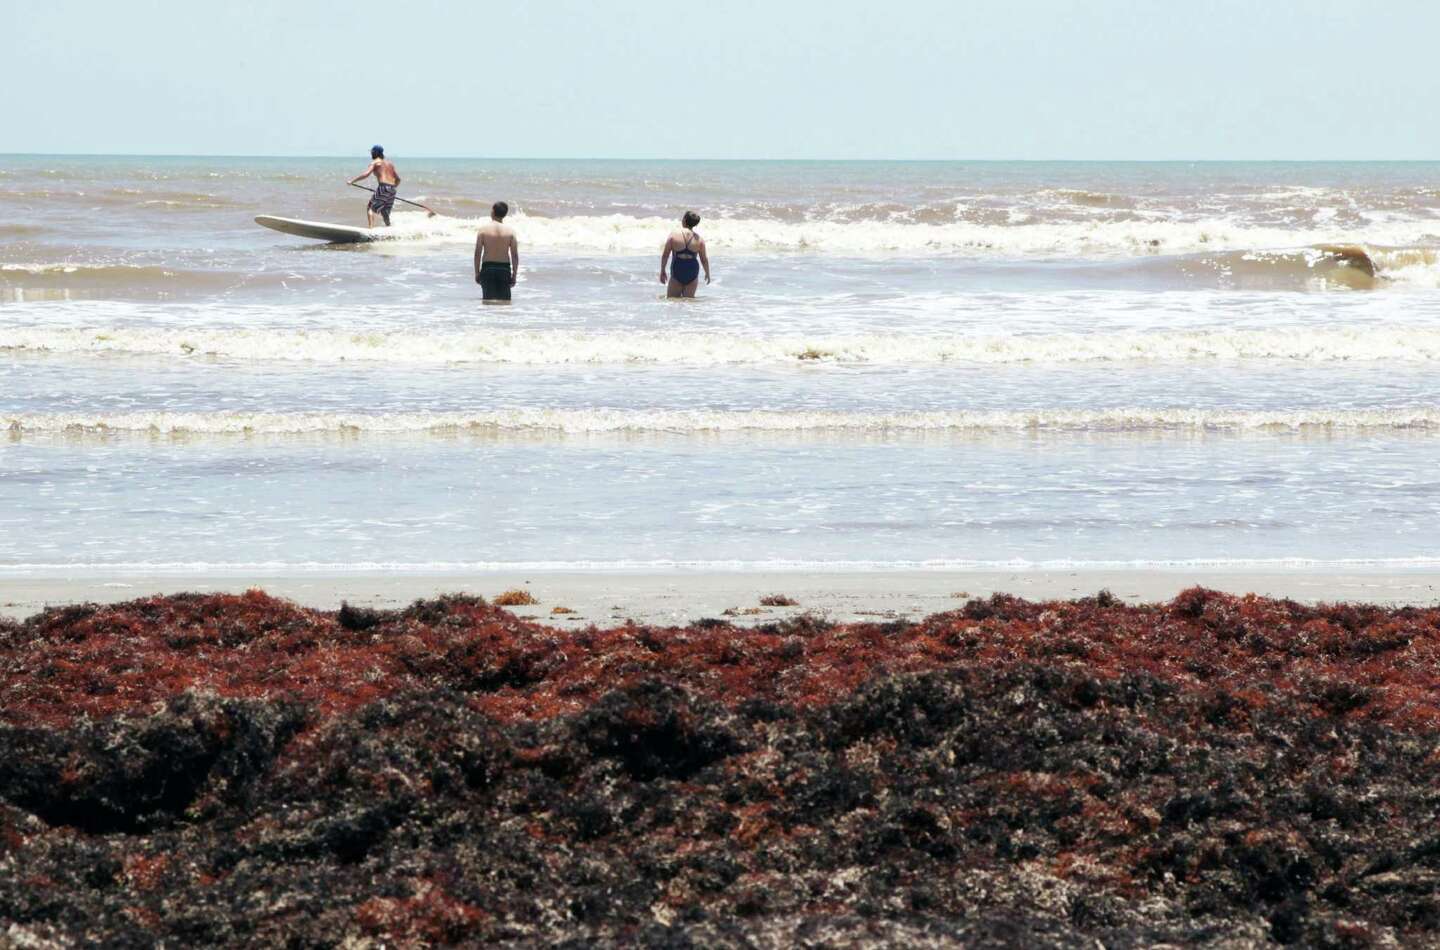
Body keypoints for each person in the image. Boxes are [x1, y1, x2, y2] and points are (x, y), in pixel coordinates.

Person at [474, 201, 519, 303]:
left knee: (488, 302)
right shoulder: (511, 232)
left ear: (493, 212)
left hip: (487, 269)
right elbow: (514, 255)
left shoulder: (483, 230)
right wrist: (514, 275)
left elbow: (477, 253)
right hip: (504, 269)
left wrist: (477, 272)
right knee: (505, 303)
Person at [347, 145, 401, 227]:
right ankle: (389, 228)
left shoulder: (375, 162)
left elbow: (366, 174)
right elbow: (398, 179)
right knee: (384, 212)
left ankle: (370, 229)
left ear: (375, 153)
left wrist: (352, 181)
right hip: (392, 189)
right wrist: (390, 190)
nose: (371, 154)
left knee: (370, 208)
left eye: (372, 152)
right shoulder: (390, 164)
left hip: (383, 187)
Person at [660, 211, 711, 298]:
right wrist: (707, 273)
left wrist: (663, 270)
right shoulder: (699, 240)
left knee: (672, 300)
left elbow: (665, 255)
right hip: (692, 271)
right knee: (689, 301)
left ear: (684, 220)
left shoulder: (673, 236)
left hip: (678, 269)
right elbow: (704, 259)